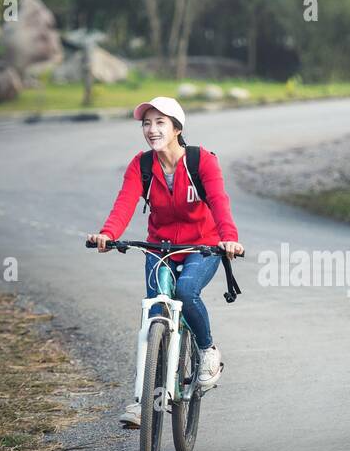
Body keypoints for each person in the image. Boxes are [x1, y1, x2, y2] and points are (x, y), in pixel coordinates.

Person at [88, 96, 243, 428]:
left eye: (160, 123)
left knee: (186, 291)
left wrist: (229, 238)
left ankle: (207, 352)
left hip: (202, 246)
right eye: (147, 123)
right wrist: (107, 234)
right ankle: (142, 402)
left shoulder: (202, 162)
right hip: (159, 248)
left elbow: (219, 201)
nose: (151, 130)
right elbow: (125, 204)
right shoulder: (142, 166)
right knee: (154, 311)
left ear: (176, 129)